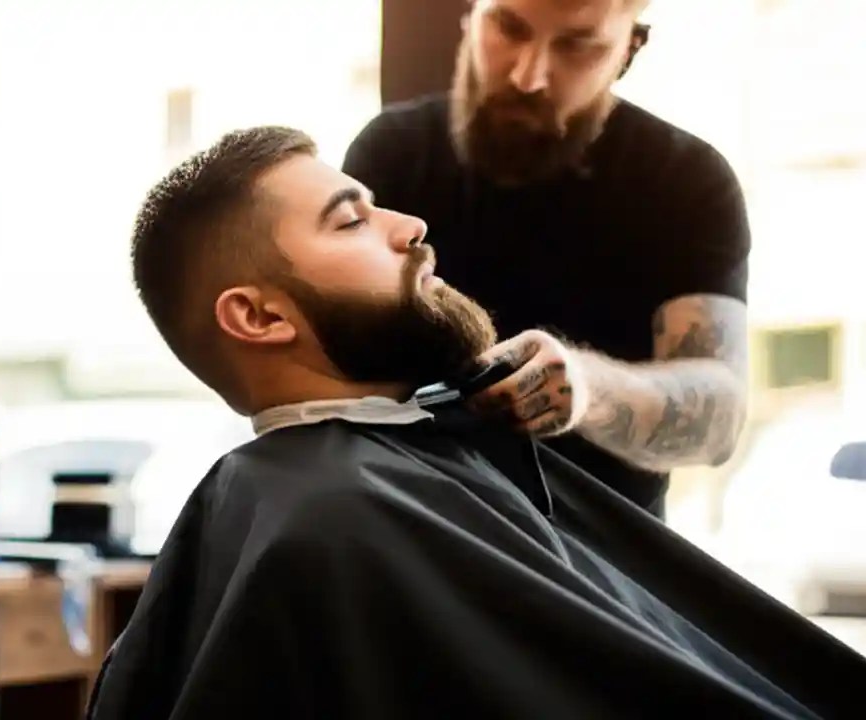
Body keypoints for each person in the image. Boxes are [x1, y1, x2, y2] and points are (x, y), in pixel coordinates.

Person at [85, 126, 865, 719]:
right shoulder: (332, 524)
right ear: (257, 315)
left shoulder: (377, 479)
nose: (411, 225)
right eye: (350, 221)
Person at [342, 0, 750, 519]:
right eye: (508, 28)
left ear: (630, 49)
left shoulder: (686, 182)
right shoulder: (391, 154)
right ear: (471, 15)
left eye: (577, 46)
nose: (527, 75)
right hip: (416, 537)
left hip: (597, 571)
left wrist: (588, 390)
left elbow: (718, 420)